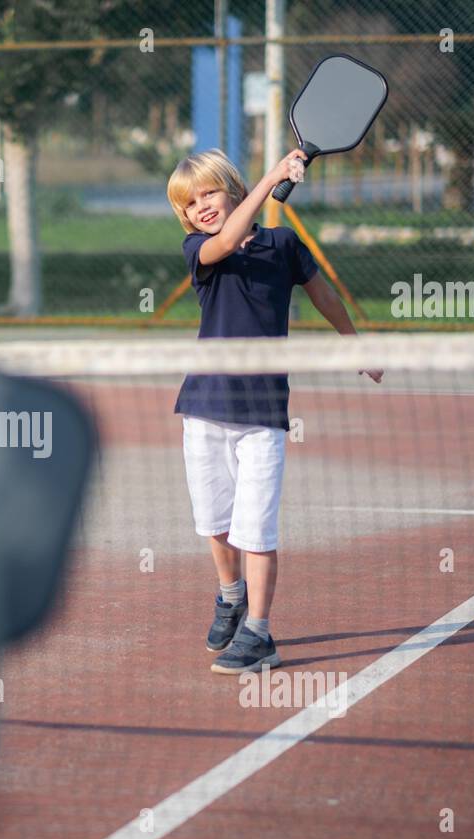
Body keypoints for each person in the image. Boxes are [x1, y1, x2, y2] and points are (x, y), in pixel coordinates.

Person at [164, 148, 382, 675]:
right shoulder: (201, 249)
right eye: (191, 204)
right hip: (204, 410)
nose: (202, 207)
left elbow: (323, 293)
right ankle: (230, 596)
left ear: (233, 189)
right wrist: (274, 176)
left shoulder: (283, 244)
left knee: (255, 529)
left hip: (262, 416)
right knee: (215, 525)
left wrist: (353, 342)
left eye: (210, 193)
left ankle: (259, 634)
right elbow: (223, 240)